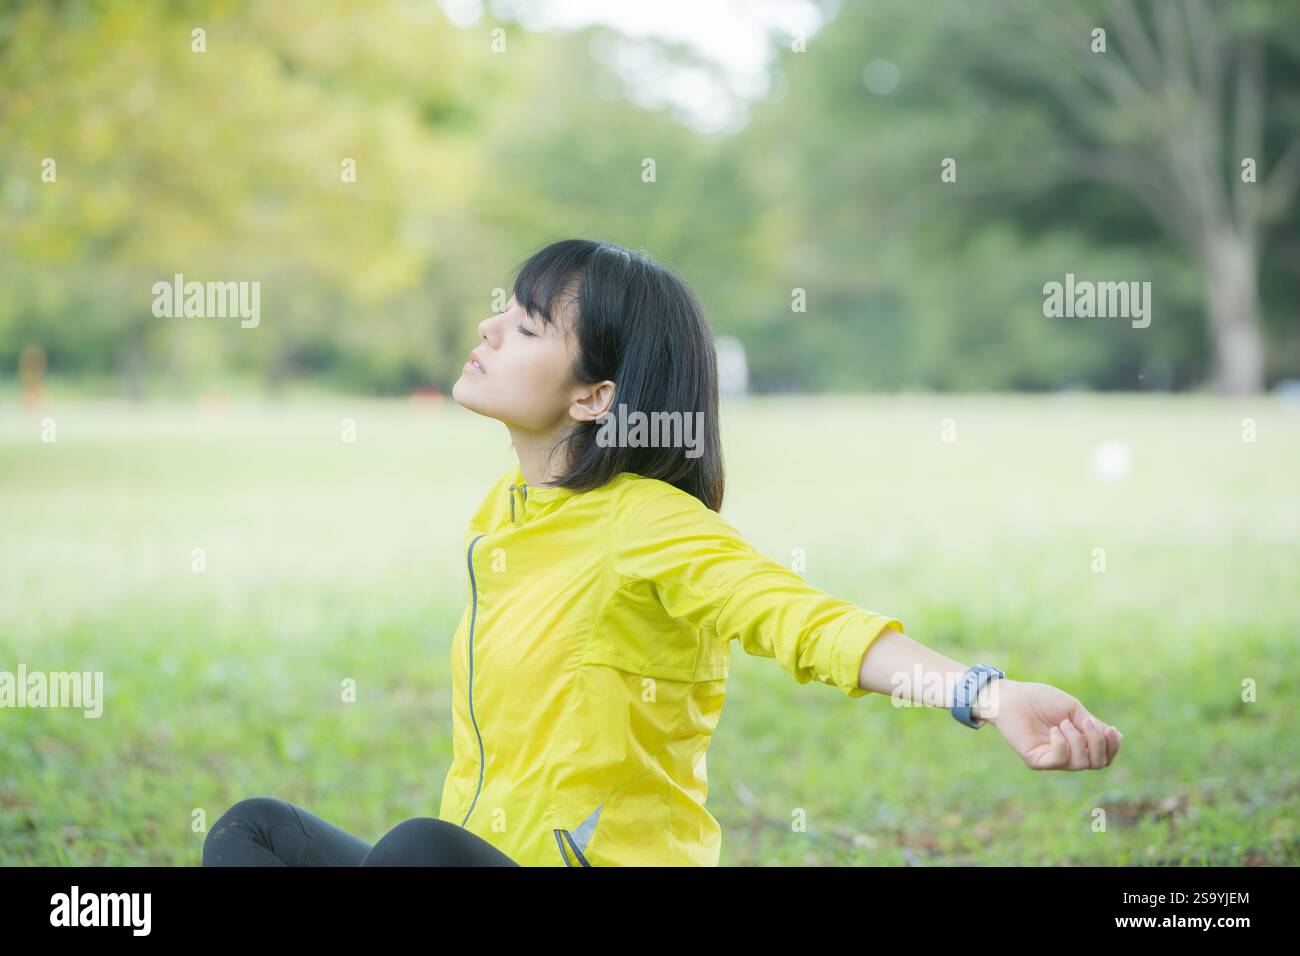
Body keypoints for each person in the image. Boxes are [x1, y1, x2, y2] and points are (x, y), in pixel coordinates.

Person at [205, 237, 1122, 868]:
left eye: (525, 328)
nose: (489, 331)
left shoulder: (649, 524)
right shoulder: (506, 510)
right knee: (257, 833)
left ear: (594, 397)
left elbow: (808, 625)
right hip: (478, 856)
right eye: (503, 314)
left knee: (415, 849)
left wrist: (984, 694)